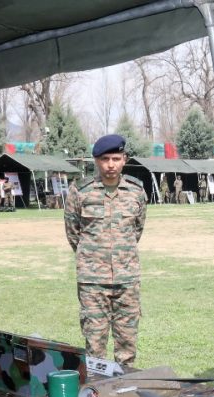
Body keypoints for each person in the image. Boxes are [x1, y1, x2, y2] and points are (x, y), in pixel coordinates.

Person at [65, 134, 147, 367]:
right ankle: (96, 394)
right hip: (93, 282)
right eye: (104, 159)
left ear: (124, 160)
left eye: (116, 158)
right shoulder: (80, 191)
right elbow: (73, 233)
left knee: (127, 344)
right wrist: (93, 259)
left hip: (127, 279)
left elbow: (137, 229)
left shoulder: (136, 191)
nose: (110, 165)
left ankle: (124, 390)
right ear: (95, 161)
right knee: (95, 344)